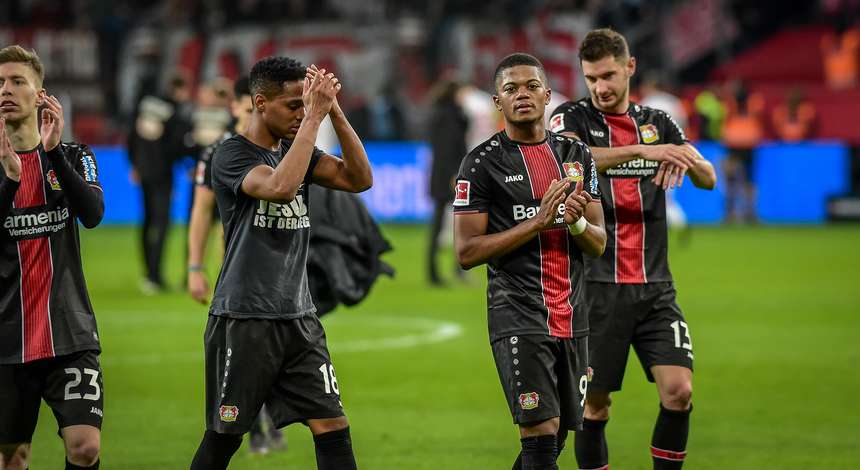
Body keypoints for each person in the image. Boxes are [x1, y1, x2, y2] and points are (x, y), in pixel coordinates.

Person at [189, 57, 372, 470]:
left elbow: (359, 179)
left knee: (333, 426)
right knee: (224, 438)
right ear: (259, 102)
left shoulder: (295, 149)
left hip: (299, 318)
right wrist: (314, 120)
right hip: (244, 318)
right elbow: (279, 187)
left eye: (304, 105)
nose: (301, 114)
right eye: (293, 106)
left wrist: (334, 111)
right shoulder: (230, 155)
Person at [549, 28, 716, 470]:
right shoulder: (570, 118)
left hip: (656, 288)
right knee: (594, 408)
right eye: (591, 78)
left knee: (679, 392)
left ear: (629, 68)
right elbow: (575, 156)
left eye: (608, 75)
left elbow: (708, 177)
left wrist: (688, 163)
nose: (600, 87)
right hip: (597, 290)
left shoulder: (659, 122)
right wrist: (648, 151)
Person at [453, 53, 606, 470]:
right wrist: (538, 223)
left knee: (553, 438)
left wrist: (574, 225)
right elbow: (466, 253)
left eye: (532, 86)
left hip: (572, 315)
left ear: (548, 95)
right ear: (497, 103)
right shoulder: (480, 164)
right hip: (517, 313)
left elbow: (598, 243)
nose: (523, 94)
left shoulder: (576, 156)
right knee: (539, 432)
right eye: (511, 89)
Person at [0, 45, 105, 470]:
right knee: (12, 457)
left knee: (85, 448)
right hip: (7, 340)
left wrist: (54, 153)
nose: (5, 89)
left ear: (41, 93)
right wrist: (9, 181)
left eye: (17, 81)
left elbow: (93, 215)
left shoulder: (75, 156)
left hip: (70, 333)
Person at [185, 75, 286, 454]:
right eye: (245, 110)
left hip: (280, 273)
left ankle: (267, 422)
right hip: (239, 279)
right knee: (243, 360)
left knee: (277, 354)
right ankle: (255, 428)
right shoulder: (219, 154)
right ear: (235, 108)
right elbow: (201, 211)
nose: (251, 118)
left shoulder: (283, 151)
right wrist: (195, 267)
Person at [127, 71, 194, 293]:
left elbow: (131, 136)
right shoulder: (175, 113)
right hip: (163, 174)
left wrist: (134, 164)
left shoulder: (146, 105)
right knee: (162, 223)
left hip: (143, 171)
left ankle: (148, 274)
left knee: (147, 222)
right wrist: (189, 162)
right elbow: (176, 146)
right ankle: (156, 277)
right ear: (180, 90)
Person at [426, 79, 469, 286]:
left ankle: (441, 271)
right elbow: (448, 150)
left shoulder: (441, 115)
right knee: (457, 223)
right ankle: (440, 271)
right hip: (449, 176)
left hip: (441, 175)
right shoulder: (449, 117)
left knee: (447, 224)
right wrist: (454, 174)